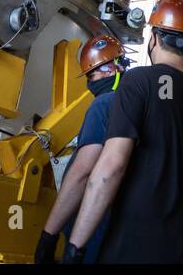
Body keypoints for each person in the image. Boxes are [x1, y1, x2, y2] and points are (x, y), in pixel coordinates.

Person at [64, 0, 183, 263]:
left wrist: (75, 245)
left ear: (154, 38)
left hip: (135, 248)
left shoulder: (137, 82)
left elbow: (111, 168)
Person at [34, 31, 129, 263]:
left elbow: (83, 173)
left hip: (96, 233)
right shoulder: (137, 102)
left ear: (112, 68)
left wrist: (50, 236)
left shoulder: (104, 104)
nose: (91, 82)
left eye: (93, 74)